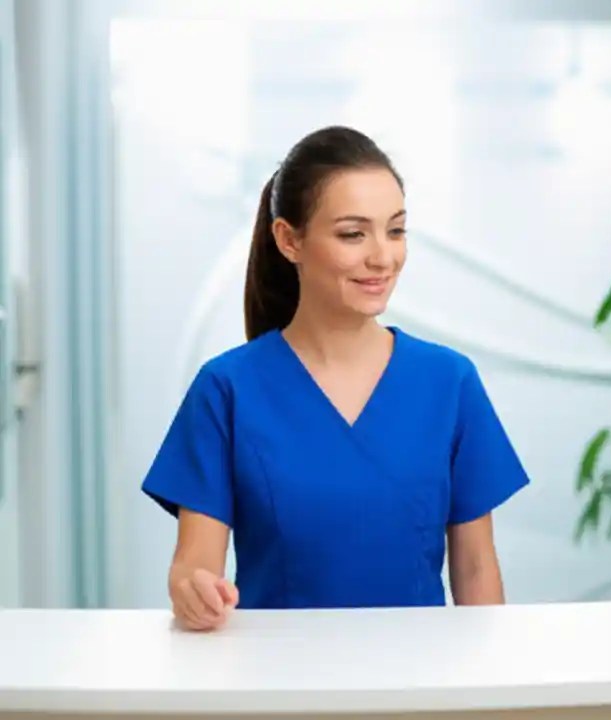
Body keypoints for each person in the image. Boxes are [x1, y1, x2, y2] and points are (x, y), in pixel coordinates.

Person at [142, 126, 530, 630]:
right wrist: (192, 593)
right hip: (279, 689)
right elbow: (193, 567)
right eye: (353, 234)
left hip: (420, 688)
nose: (382, 257)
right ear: (289, 240)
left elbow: (477, 572)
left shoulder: (449, 383)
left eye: (395, 230)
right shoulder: (227, 390)